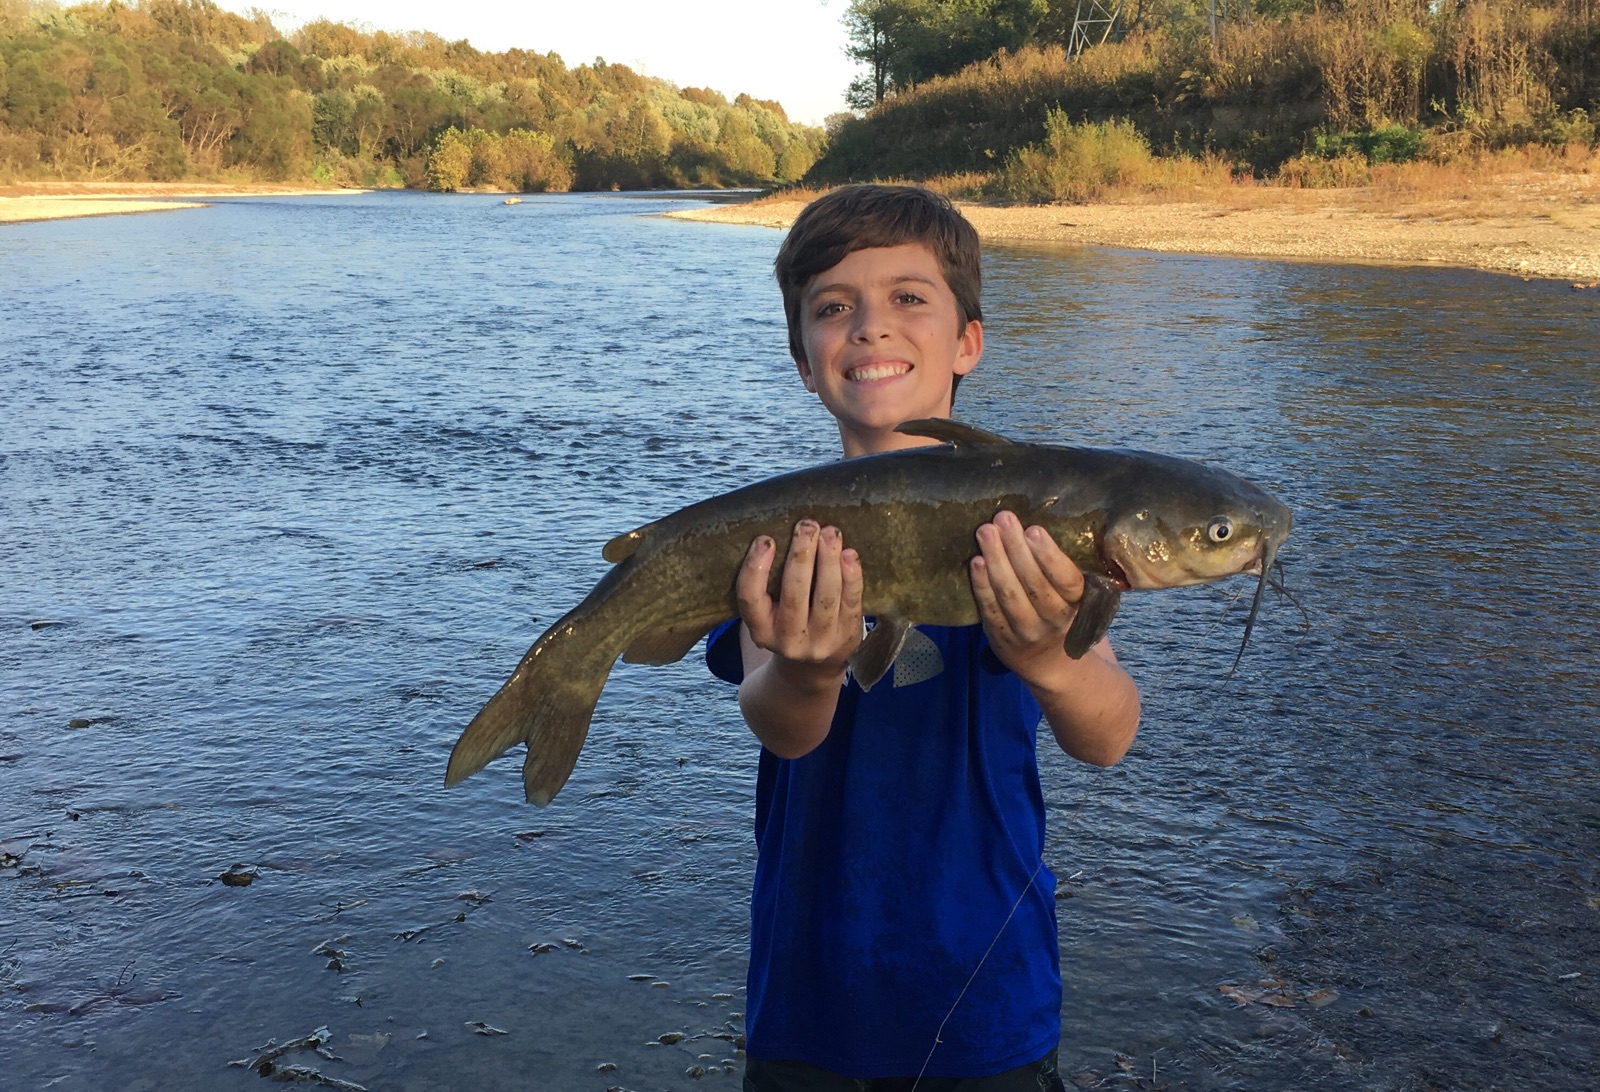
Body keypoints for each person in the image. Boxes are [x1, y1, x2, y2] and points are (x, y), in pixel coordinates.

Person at [704, 184, 1142, 1092]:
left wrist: (1046, 662)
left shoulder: (1042, 523)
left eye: (910, 298)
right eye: (834, 308)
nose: (871, 327)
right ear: (802, 357)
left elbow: (1108, 735)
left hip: (991, 998)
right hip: (806, 999)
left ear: (968, 342)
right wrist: (808, 671)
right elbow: (782, 724)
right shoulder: (777, 535)